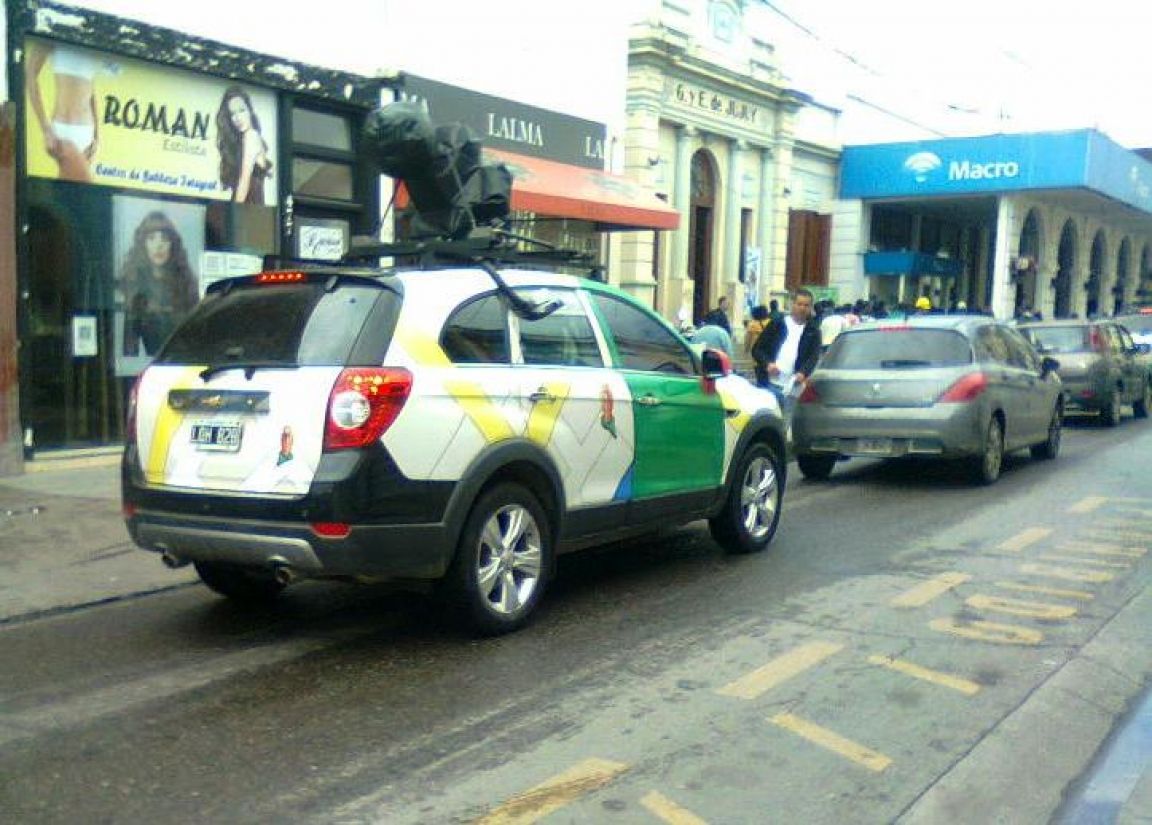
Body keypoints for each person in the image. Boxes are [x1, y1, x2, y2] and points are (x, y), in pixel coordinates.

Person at [119, 211, 199, 356]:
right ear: (143, 245)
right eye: (151, 238)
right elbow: (129, 351)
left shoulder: (187, 284)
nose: (158, 245)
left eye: (165, 239)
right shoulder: (137, 289)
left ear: (172, 245)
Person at [25, 41, 101, 183]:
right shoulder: (51, 31)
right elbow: (30, 74)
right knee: (72, 195)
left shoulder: (90, 39)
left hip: (88, 133)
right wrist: (45, 128)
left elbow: (91, 88)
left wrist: (97, 134)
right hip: (64, 130)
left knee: (79, 196)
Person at [751, 288, 822, 412]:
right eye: (799, 304)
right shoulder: (777, 324)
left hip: (793, 387)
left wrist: (803, 372)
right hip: (770, 384)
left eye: (806, 305)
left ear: (810, 308)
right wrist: (768, 364)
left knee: (787, 424)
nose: (802, 308)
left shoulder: (813, 331)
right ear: (792, 304)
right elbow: (757, 349)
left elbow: (813, 356)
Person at [216, 86, 273, 204]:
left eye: (242, 110)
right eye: (232, 114)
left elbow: (244, 180)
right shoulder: (245, 140)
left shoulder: (251, 136)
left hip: (247, 210)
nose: (237, 118)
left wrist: (234, 214)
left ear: (250, 111)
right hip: (250, 211)